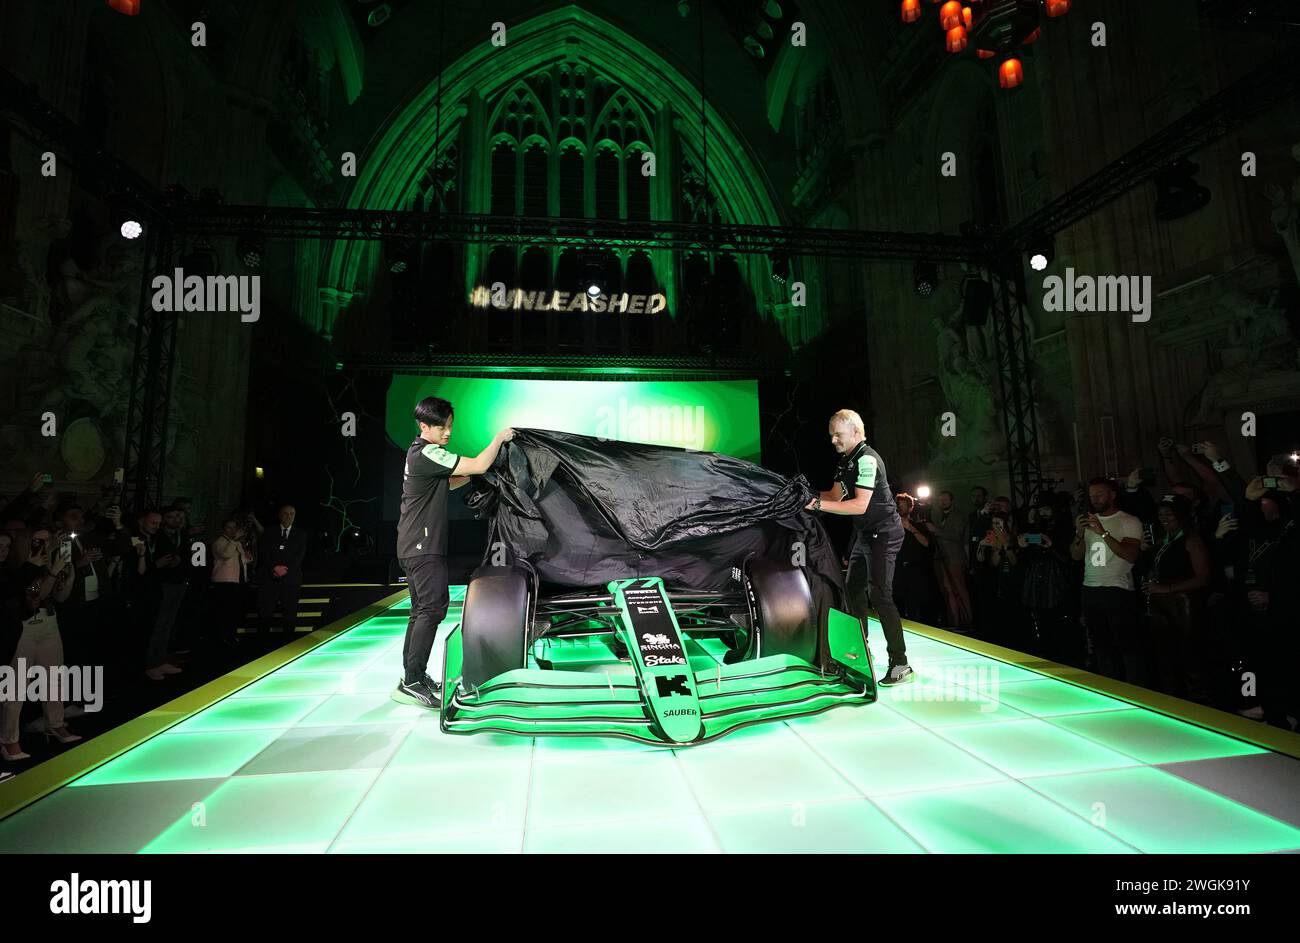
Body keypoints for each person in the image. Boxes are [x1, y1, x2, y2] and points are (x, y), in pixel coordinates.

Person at [392, 396, 516, 708]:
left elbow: (451, 482)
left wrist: (483, 475)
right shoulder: (428, 452)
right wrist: (499, 438)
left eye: (449, 426)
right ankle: (412, 680)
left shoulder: (419, 454)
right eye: (441, 426)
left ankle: (412, 677)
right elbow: (477, 464)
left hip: (413, 545)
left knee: (421, 610)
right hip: (422, 546)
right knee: (432, 609)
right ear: (424, 426)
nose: (447, 432)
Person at [805, 409, 912, 685]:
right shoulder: (846, 461)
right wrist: (805, 494)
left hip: (885, 534)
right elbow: (834, 495)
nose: (833, 441)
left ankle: (900, 664)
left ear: (855, 431)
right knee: (852, 592)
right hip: (865, 534)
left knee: (880, 596)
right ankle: (859, 653)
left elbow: (858, 505)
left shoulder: (867, 459)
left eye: (837, 435)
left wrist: (817, 505)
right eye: (831, 436)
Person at [2, 527, 81, 761]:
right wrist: (52, 573)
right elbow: (33, 598)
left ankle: (55, 723)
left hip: (49, 624)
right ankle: (8, 740)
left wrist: (68, 574)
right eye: (38, 541)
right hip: (23, 629)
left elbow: (60, 597)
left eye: (49, 541)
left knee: (54, 677)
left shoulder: (48, 563)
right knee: (15, 687)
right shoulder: (16, 568)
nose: (43, 545)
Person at [1071, 477, 1144, 684]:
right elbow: (1076, 555)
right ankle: (1110, 686)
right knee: (1100, 644)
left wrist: (1102, 533)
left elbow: (1130, 555)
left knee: (1126, 645)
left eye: (1099, 494)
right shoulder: (1087, 520)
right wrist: (1079, 532)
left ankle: (1135, 690)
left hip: (1117, 588)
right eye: (1092, 495)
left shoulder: (1128, 521)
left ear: (1112, 495)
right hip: (1090, 588)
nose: (1095, 498)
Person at [1142, 495, 1212, 703]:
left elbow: (1204, 577)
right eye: (1160, 513)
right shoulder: (1162, 539)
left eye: (1169, 513)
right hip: (1162, 608)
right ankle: (1173, 702)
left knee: (1190, 659)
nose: (1163, 518)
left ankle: (1201, 707)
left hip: (1185, 607)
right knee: (1166, 659)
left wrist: (1167, 588)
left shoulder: (1192, 539)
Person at [893, 493, 942, 625]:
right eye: (898, 506)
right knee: (898, 602)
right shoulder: (890, 527)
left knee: (921, 602)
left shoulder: (919, 526)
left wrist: (910, 528)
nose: (900, 509)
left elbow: (926, 543)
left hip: (916, 569)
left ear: (910, 508)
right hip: (897, 569)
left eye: (903, 506)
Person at [257, 504, 307, 634]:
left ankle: (288, 644)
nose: (289, 516)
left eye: (292, 514)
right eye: (286, 513)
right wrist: (274, 567)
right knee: (265, 613)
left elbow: (299, 556)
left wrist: (285, 569)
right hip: (270, 579)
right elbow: (263, 552)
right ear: (280, 515)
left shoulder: (301, 534)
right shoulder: (269, 532)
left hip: (291, 580)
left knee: (290, 614)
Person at [929, 490, 973, 630]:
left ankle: (967, 621)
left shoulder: (959, 516)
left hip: (954, 557)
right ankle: (953, 621)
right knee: (946, 591)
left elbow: (957, 535)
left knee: (959, 589)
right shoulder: (935, 514)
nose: (942, 502)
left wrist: (936, 530)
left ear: (952, 501)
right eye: (940, 500)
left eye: (945, 500)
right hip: (939, 557)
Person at [211, 518, 253, 646]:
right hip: (223, 581)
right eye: (229, 527)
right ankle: (222, 636)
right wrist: (235, 541)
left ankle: (231, 635)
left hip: (237, 580)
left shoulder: (236, 543)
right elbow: (226, 554)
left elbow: (242, 560)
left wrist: (247, 557)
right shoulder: (219, 542)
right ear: (223, 529)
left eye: (234, 527)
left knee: (234, 610)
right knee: (224, 610)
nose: (233, 530)